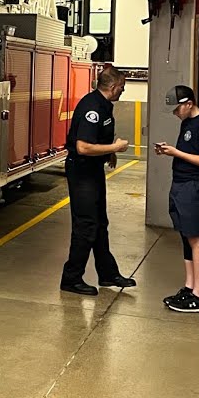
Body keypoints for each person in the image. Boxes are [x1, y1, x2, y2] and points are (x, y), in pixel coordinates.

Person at [60, 66, 136, 296]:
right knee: (86, 225)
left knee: (100, 223)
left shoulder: (104, 105)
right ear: (112, 87)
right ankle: (71, 278)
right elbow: (83, 147)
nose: (123, 91)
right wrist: (115, 147)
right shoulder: (92, 107)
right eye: (121, 87)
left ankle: (107, 273)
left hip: (93, 170)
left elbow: (97, 138)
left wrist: (108, 153)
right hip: (82, 171)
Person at [154, 85, 199, 313]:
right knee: (186, 237)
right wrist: (169, 152)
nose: (174, 113)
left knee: (197, 239)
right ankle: (190, 287)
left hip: (195, 187)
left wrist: (176, 153)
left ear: (189, 103)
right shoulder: (187, 123)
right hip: (181, 185)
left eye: (176, 108)